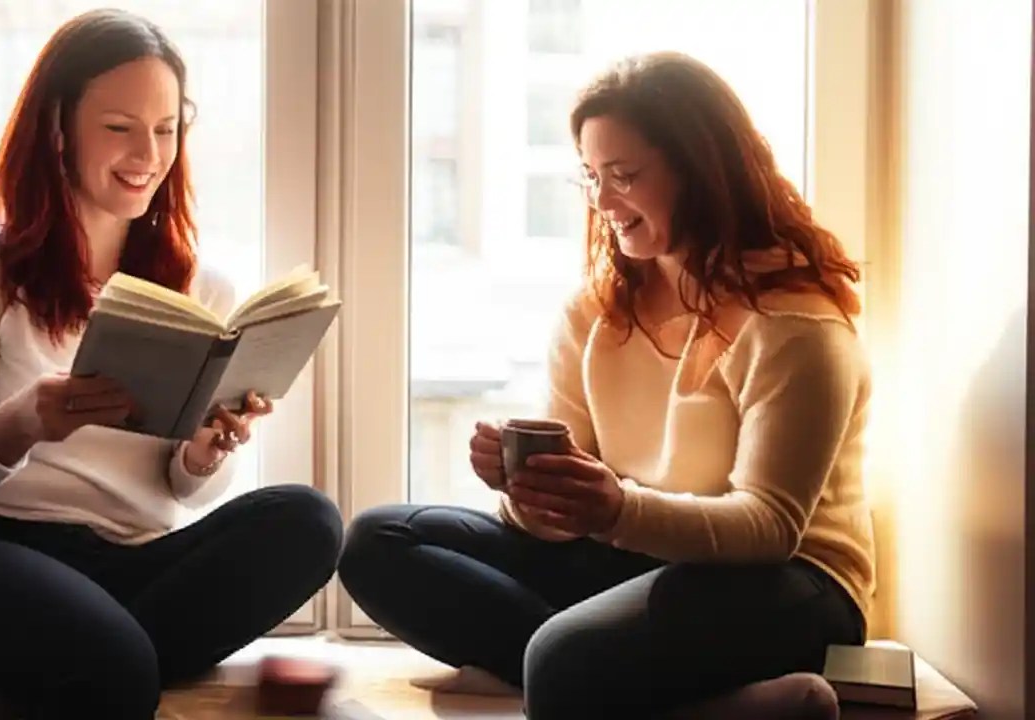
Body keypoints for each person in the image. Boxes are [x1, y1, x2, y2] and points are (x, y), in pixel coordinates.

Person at [339, 51, 875, 719]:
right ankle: (688, 697)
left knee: (564, 657)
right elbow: (569, 515)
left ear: (702, 170)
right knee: (376, 542)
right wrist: (526, 490)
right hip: (634, 555)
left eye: (623, 175)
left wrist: (615, 510)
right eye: (591, 176)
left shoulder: (794, 324)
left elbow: (768, 526)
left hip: (785, 582)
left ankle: (570, 673)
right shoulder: (596, 313)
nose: (602, 201)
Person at [0, 9, 342, 720]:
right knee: (117, 667)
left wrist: (204, 457)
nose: (147, 152)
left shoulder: (200, 286)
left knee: (308, 520)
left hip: (130, 564)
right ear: (57, 128)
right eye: (119, 128)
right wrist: (22, 421)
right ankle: (100, 666)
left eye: (167, 128)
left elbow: (180, 493)